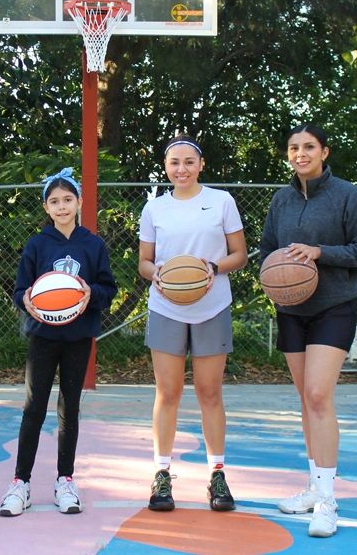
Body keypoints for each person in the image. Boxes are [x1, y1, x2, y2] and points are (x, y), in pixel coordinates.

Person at [260, 124, 357, 538]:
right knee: (304, 399)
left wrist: (318, 253)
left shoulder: (348, 195)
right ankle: (313, 487)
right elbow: (267, 250)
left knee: (317, 394)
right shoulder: (281, 199)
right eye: (293, 147)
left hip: (334, 306)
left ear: (324, 152)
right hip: (292, 309)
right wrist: (276, 274)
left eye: (308, 147)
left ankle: (328, 500)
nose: (300, 153)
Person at [0, 168, 117, 517]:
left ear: (79, 202)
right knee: (33, 408)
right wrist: (28, 302)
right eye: (55, 201)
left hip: (78, 337)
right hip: (43, 337)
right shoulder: (37, 245)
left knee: (70, 408)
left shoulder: (93, 244)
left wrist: (87, 294)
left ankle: (65, 480)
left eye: (68, 199)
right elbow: (21, 290)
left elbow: (108, 289)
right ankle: (20, 483)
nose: (62, 206)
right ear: (46, 207)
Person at [137, 135, 247, 513]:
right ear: (165, 167)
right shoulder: (155, 208)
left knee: (209, 392)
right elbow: (144, 263)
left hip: (212, 305)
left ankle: (217, 473)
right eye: (173, 163)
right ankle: (162, 474)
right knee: (167, 393)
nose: (181, 169)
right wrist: (160, 274)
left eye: (188, 162)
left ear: (201, 165)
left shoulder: (221, 201)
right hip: (167, 306)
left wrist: (212, 268)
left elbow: (240, 255)